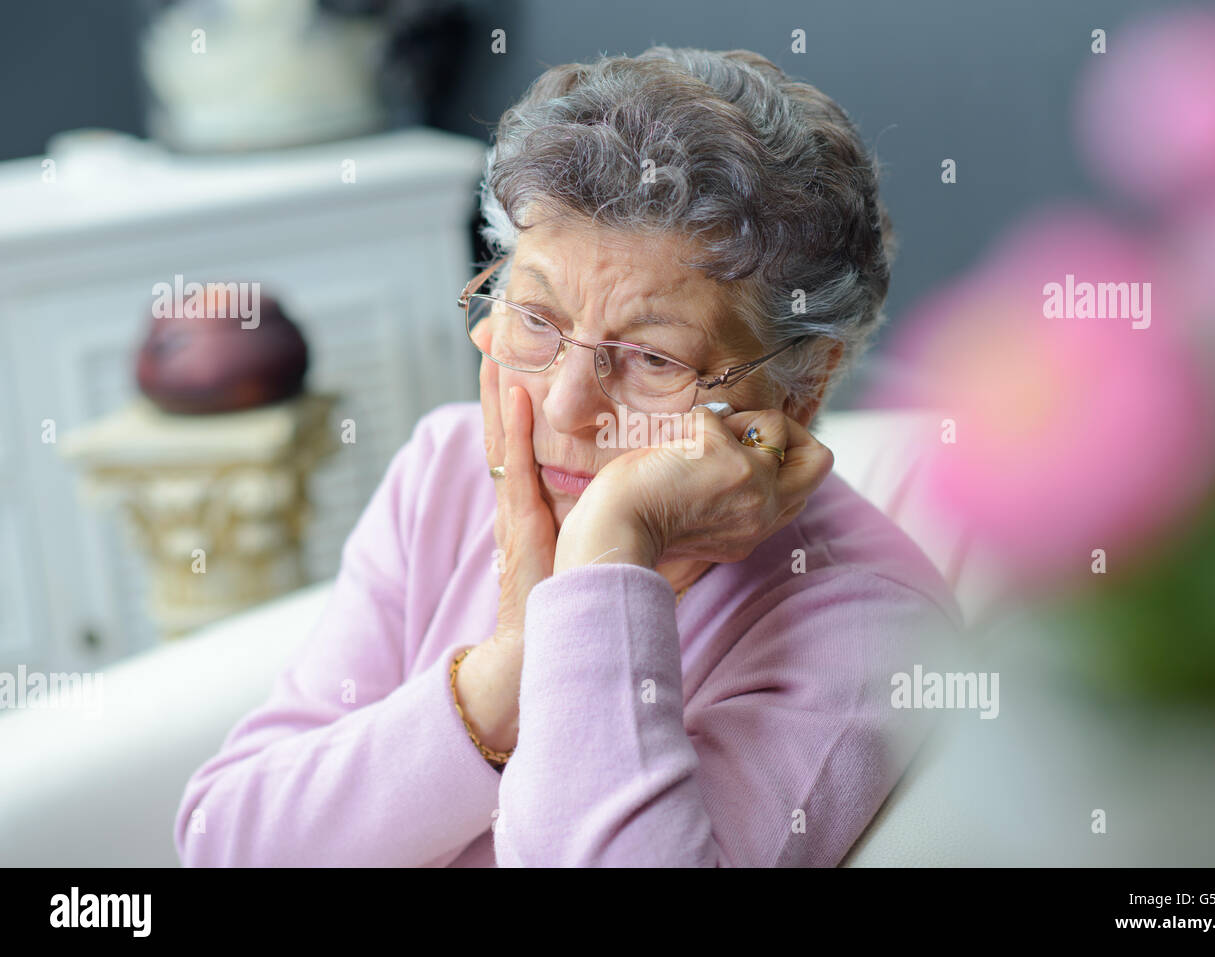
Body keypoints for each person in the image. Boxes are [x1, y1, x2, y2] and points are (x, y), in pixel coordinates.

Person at [174, 46, 961, 867]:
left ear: (801, 387)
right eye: (537, 321)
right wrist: (504, 676)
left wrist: (607, 555)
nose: (565, 406)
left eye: (655, 359)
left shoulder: (866, 625)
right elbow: (225, 839)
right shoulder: (445, 467)